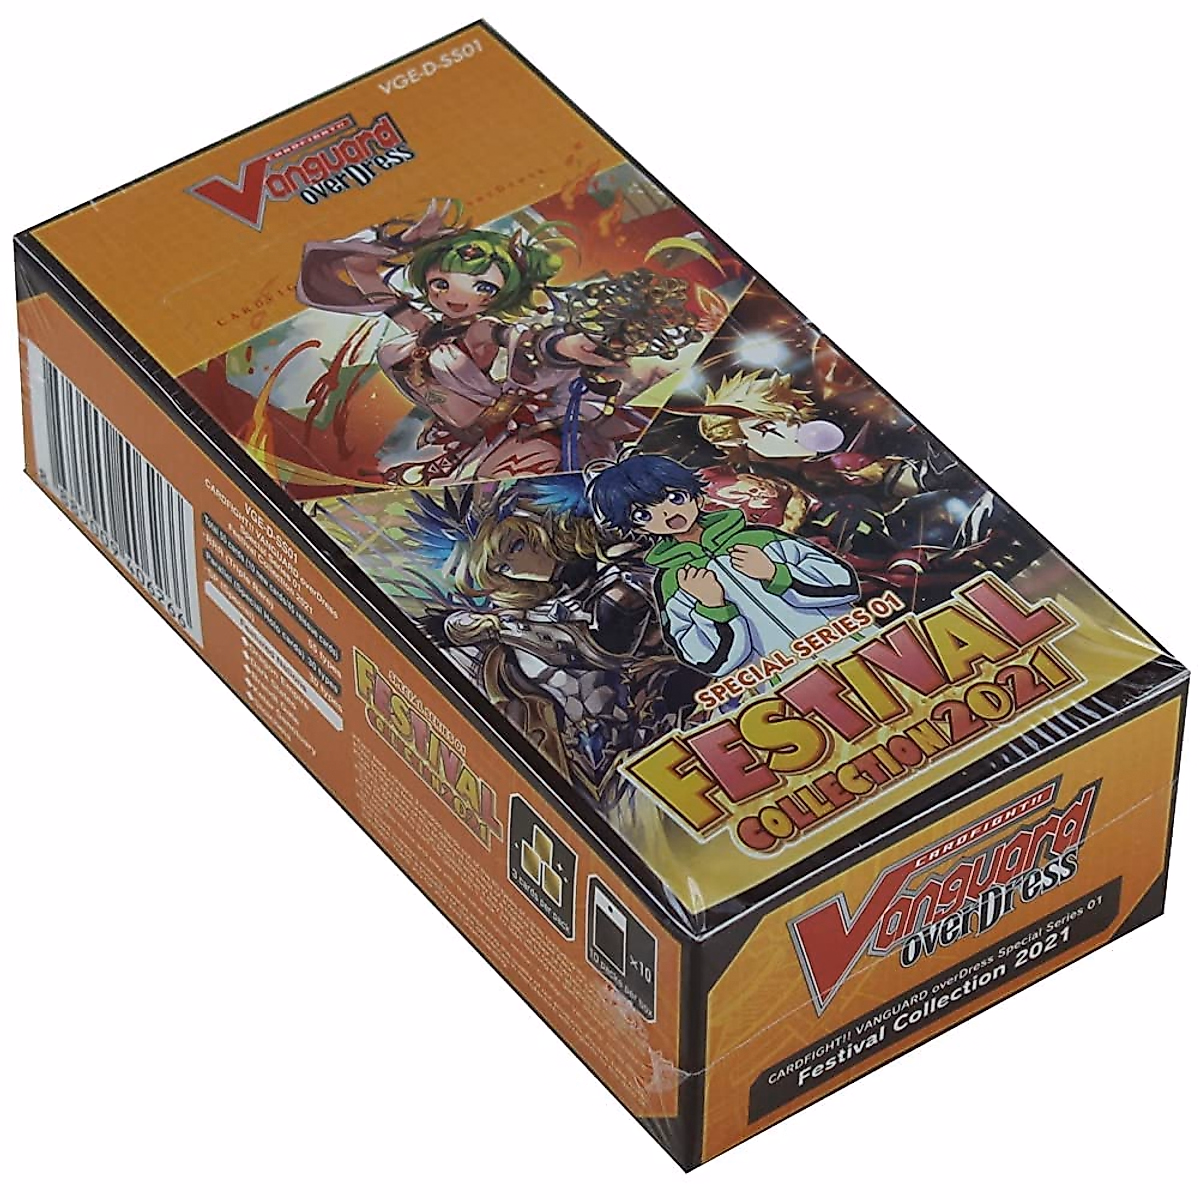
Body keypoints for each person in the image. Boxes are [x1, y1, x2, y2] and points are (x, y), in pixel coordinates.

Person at [587, 454, 860, 676]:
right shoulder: (672, 582)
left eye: (674, 498)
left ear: (695, 495)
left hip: (855, 649)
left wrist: (775, 574)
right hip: (783, 684)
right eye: (643, 514)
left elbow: (845, 585)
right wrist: (713, 608)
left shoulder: (761, 538)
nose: (667, 512)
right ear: (637, 527)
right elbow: (707, 660)